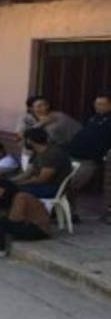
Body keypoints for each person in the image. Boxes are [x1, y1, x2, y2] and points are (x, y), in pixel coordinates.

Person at [0, 180, 51, 257]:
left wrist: (3, 214)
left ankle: (0, 249)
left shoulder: (20, 197)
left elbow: (16, 218)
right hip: (25, 224)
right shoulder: (11, 198)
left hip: (38, 229)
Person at [66, 92, 111, 222]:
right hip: (73, 156)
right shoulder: (93, 118)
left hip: (89, 160)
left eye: (102, 104)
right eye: (96, 104)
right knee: (66, 185)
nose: (98, 106)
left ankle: (70, 213)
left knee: (73, 185)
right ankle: (69, 212)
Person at [11, 128, 73, 199]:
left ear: (29, 141)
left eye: (20, 139)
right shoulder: (37, 152)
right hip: (42, 184)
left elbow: (41, 180)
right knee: (8, 187)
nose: (19, 142)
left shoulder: (52, 154)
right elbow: (28, 173)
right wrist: (10, 181)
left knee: (12, 190)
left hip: (52, 188)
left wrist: (19, 183)